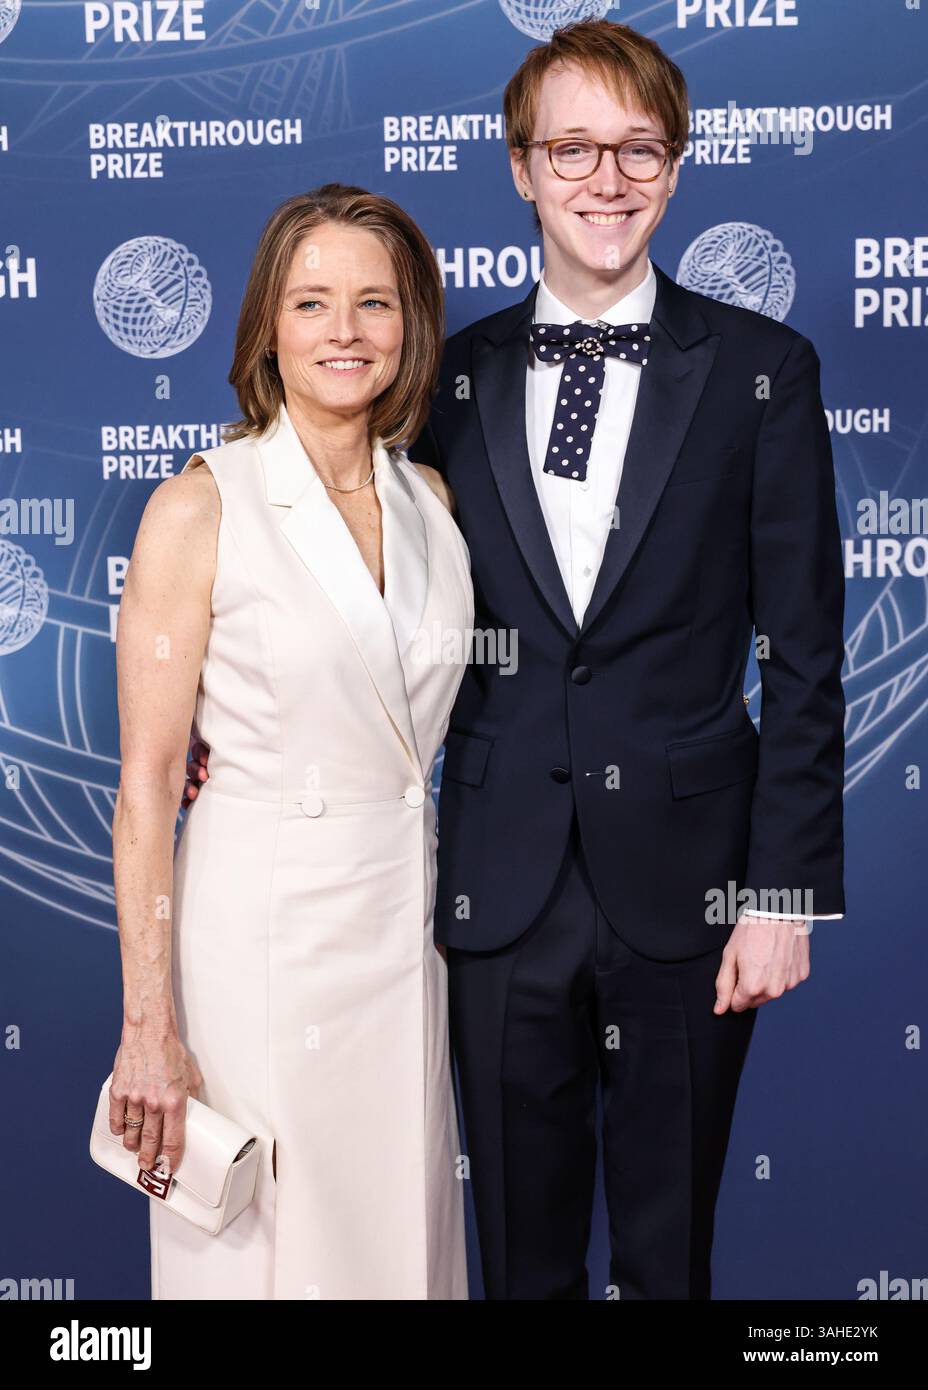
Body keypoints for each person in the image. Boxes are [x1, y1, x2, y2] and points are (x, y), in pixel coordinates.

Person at [187, 19, 846, 1301]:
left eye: (637, 149)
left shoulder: (764, 373)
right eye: (574, 148)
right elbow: (312, 542)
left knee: (670, 1258)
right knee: (516, 1264)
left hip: (690, 894)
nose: (607, 179)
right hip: (491, 894)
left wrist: (784, 893)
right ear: (520, 167)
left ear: (677, 166)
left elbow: (808, 654)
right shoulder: (443, 376)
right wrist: (232, 725)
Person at [111, 185, 473, 1300]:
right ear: (269, 324)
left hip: (401, 940)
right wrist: (148, 1031)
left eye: (374, 303)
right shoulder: (199, 506)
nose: (345, 332)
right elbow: (148, 785)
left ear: (409, 324)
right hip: (259, 942)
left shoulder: (433, 500)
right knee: (269, 1256)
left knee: (396, 1243)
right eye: (312, 303)